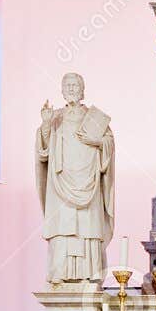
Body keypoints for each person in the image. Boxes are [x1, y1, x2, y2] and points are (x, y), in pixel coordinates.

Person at [36, 74, 115, 285]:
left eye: (75, 85)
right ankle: (59, 274)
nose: (71, 89)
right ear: (62, 90)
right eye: (67, 86)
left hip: (89, 183)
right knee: (63, 229)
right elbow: (43, 153)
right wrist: (45, 125)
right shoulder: (55, 118)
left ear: (82, 90)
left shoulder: (94, 118)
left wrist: (97, 141)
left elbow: (109, 143)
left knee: (87, 228)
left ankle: (89, 274)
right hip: (60, 184)